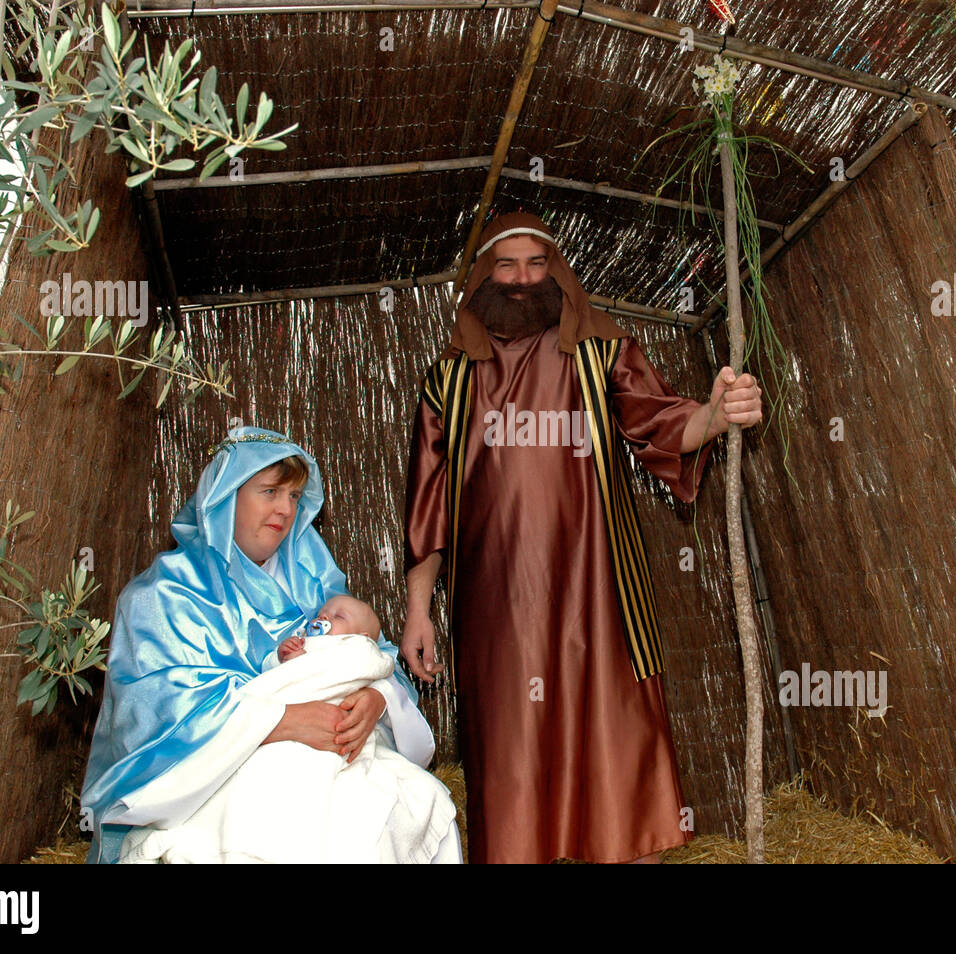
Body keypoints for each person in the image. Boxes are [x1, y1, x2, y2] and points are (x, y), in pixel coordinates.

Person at [401, 211, 762, 864]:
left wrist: (714, 414)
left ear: (557, 271)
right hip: (496, 612)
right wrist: (417, 611)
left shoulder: (599, 349)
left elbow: (657, 422)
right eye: (504, 265)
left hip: (597, 591)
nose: (520, 279)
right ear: (482, 277)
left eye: (535, 263)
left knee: (618, 744)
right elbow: (427, 510)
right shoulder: (447, 381)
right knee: (510, 760)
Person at [82, 426, 460, 863]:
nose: (285, 509)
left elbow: (375, 656)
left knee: (417, 801)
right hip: (213, 779)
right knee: (273, 829)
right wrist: (283, 721)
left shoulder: (312, 580)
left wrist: (376, 699)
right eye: (271, 491)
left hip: (332, 756)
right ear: (225, 497)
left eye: (295, 496)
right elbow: (155, 715)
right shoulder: (163, 596)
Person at [271, 595, 382, 667]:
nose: (323, 616)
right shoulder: (301, 639)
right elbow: (268, 672)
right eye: (319, 615)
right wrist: (282, 655)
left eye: (339, 616)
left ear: (361, 638)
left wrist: (304, 663)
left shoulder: (356, 650)